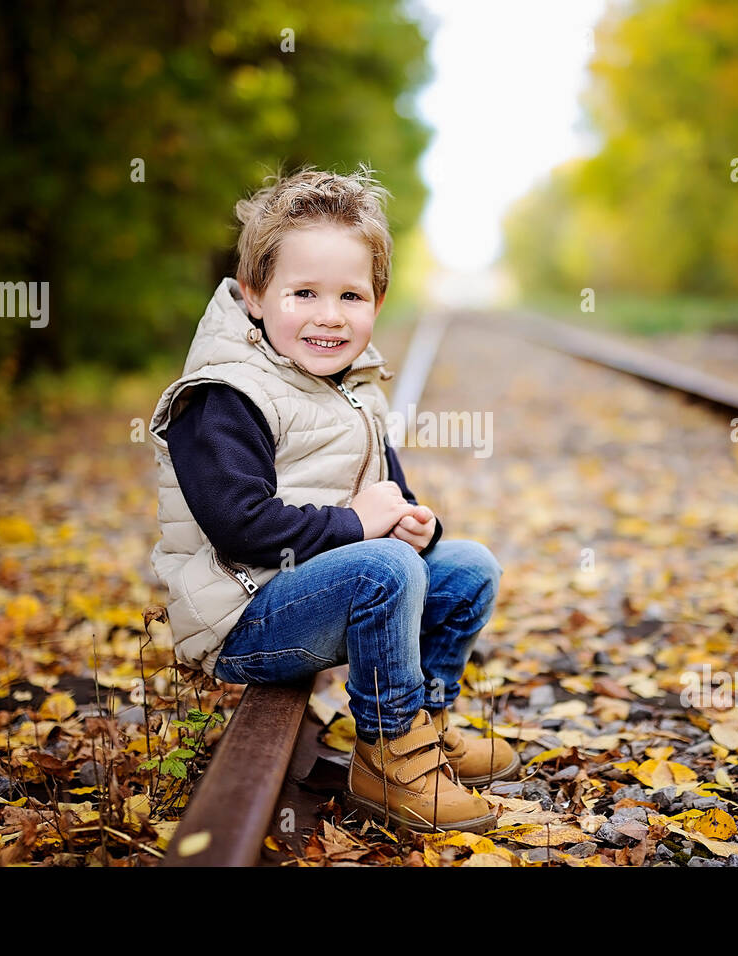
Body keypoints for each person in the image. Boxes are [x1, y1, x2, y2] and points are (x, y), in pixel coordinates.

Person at [146, 164, 519, 833]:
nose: (329, 316)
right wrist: (359, 526)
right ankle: (388, 756)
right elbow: (240, 527)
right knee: (384, 568)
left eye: (350, 296)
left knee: (467, 565)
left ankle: (423, 726)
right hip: (245, 617)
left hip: (320, 596)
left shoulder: (356, 388)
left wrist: (417, 525)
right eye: (304, 293)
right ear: (255, 295)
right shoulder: (223, 395)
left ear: (377, 302)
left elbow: (389, 497)